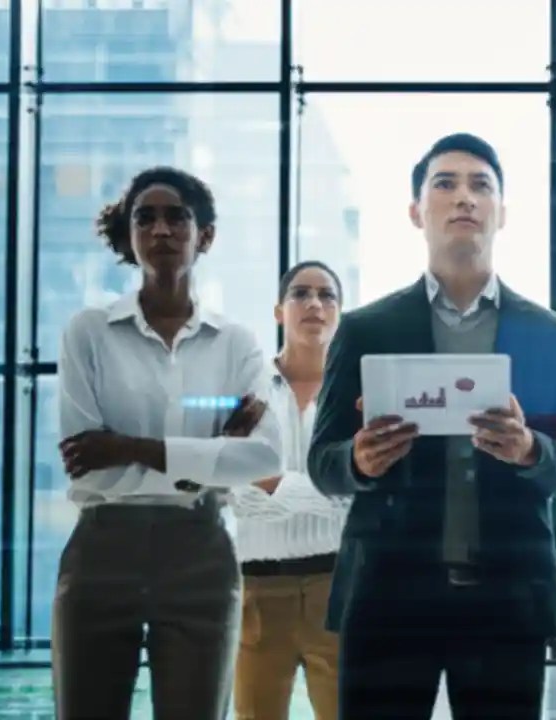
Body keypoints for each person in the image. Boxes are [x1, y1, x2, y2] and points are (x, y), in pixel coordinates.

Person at [307, 132, 556, 719]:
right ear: (416, 211)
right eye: (445, 184)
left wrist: (529, 449)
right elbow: (324, 463)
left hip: (507, 600)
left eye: (480, 186)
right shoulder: (365, 330)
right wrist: (358, 460)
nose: (464, 197)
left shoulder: (551, 336)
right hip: (388, 597)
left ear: (501, 213)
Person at [53, 166, 283, 720]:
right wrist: (207, 458)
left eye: (176, 216)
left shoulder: (238, 343)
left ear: (204, 235)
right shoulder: (88, 331)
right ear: (128, 236)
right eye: (145, 217)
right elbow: (90, 469)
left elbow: (264, 458)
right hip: (102, 549)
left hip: (199, 550)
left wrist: (129, 447)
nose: (160, 229)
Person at [230, 261, 348, 720]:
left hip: (337, 589)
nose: (314, 304)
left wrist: (272, 483)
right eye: (301, 294)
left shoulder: (356, 393)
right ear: (280, 311)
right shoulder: (244, 390)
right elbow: (235, 488)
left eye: (327, 295)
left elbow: (358, 492)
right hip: (257, 592)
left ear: (340, 312)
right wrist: (324, 488)